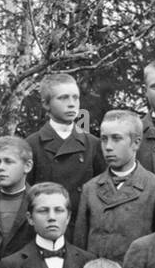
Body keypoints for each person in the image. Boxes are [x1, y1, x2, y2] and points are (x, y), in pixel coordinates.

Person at [73, 110, 155, 260]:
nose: (108, 147)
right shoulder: (90, 188)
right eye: (103, 139)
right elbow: (80, 246)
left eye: (116, 139)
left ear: (136, 143)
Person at [26, 72, 105, 222]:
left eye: (75, 97)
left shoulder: (93, 144)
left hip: (82, 225)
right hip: (47, 224)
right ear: (46, 104)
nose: (71, 103)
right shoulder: (32, 144)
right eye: (63, 98)